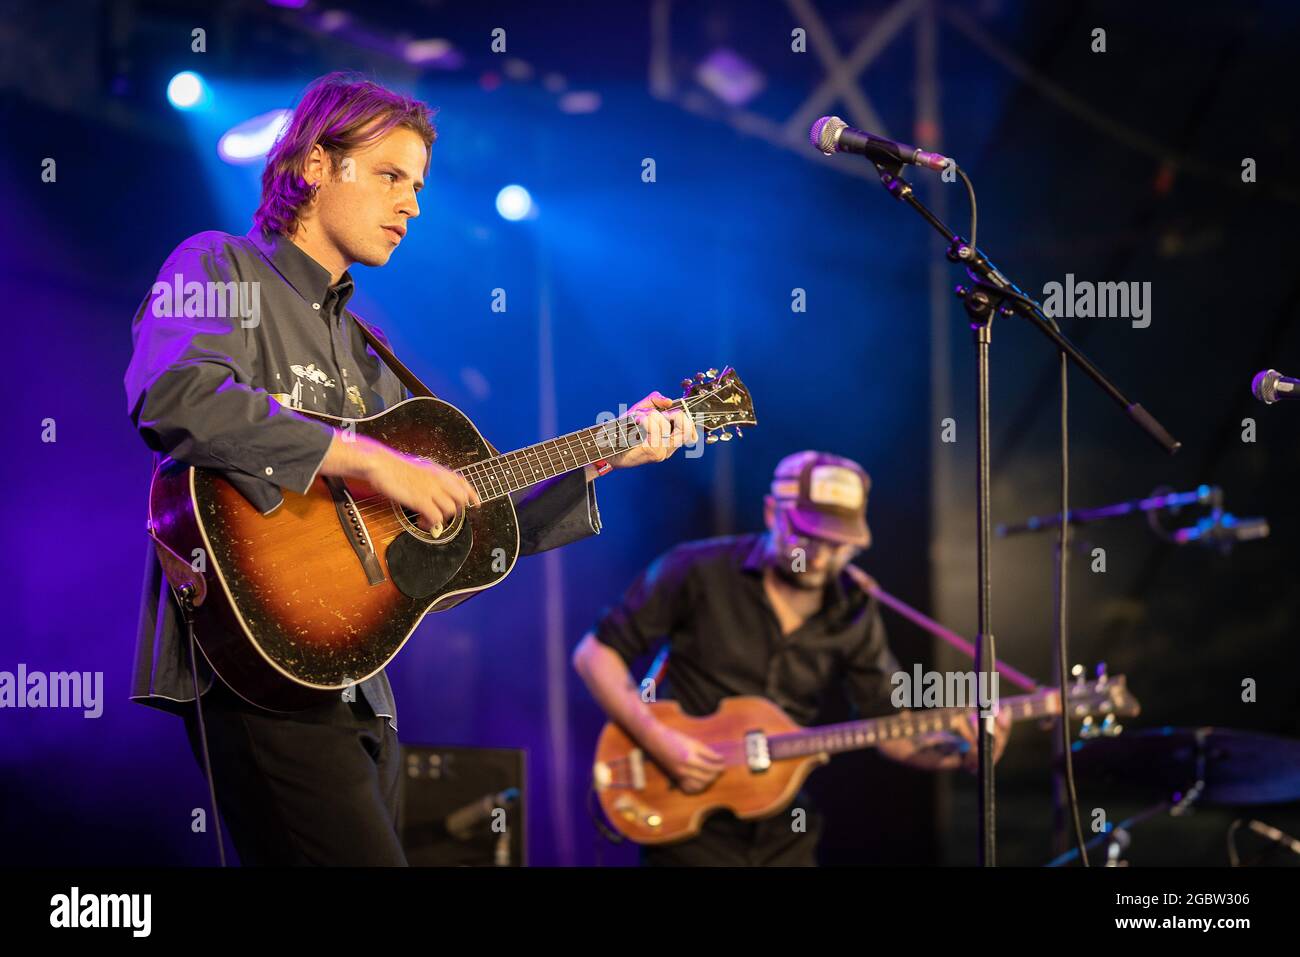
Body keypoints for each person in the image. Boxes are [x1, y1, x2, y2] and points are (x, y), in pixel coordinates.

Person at [125, 72, 696, 865]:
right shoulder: (219, 266)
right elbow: (176, 394)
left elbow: (477, 523)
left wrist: (607, 455)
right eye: (392, 176)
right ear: (316, 165)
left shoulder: (372, 355)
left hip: (362, 689)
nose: (413, 205)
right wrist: (366, 460)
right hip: (253, 663)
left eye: (419, 185)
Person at [573, 450, 1011, 866]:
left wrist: (964, 752)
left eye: (838, 544)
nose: (820, 557)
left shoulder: (853, 607)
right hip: (684, 821)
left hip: (784, 832)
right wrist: (657, 739)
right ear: (771, 513)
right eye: (809, 535)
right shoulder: (696, 570)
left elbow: (891, 729)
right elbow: (595, 654)